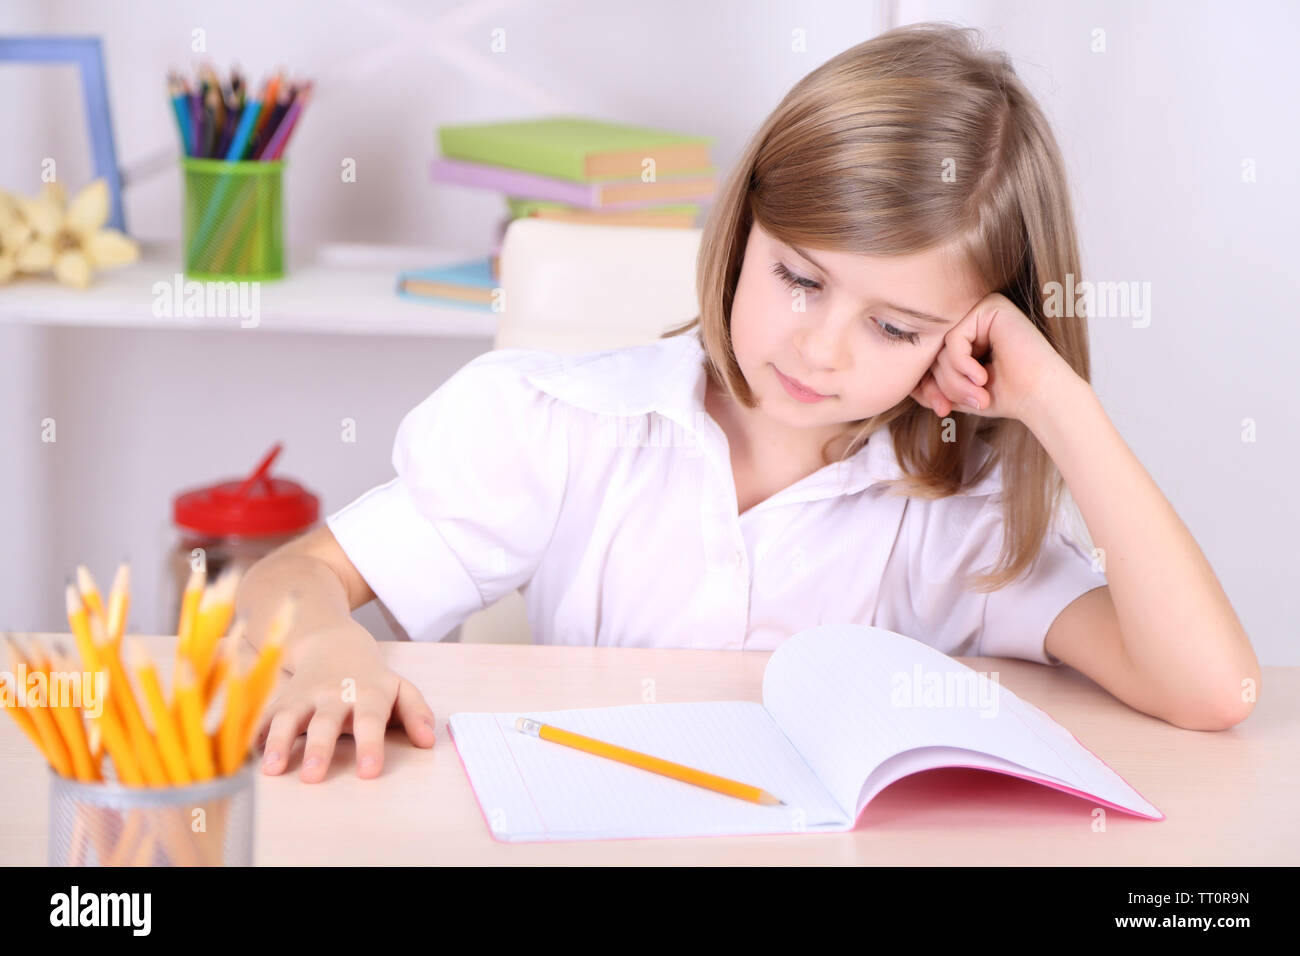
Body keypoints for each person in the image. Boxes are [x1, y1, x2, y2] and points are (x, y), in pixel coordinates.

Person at [235, 22, 1259, 783]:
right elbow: (290, 578)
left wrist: (1053, 397)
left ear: (971, 335)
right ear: (742, 229)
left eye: (895, 327)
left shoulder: (957, 517)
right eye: (800, 279)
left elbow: (1210, 690)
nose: (818, 347)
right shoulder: (560, 426)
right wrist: (327, 645)